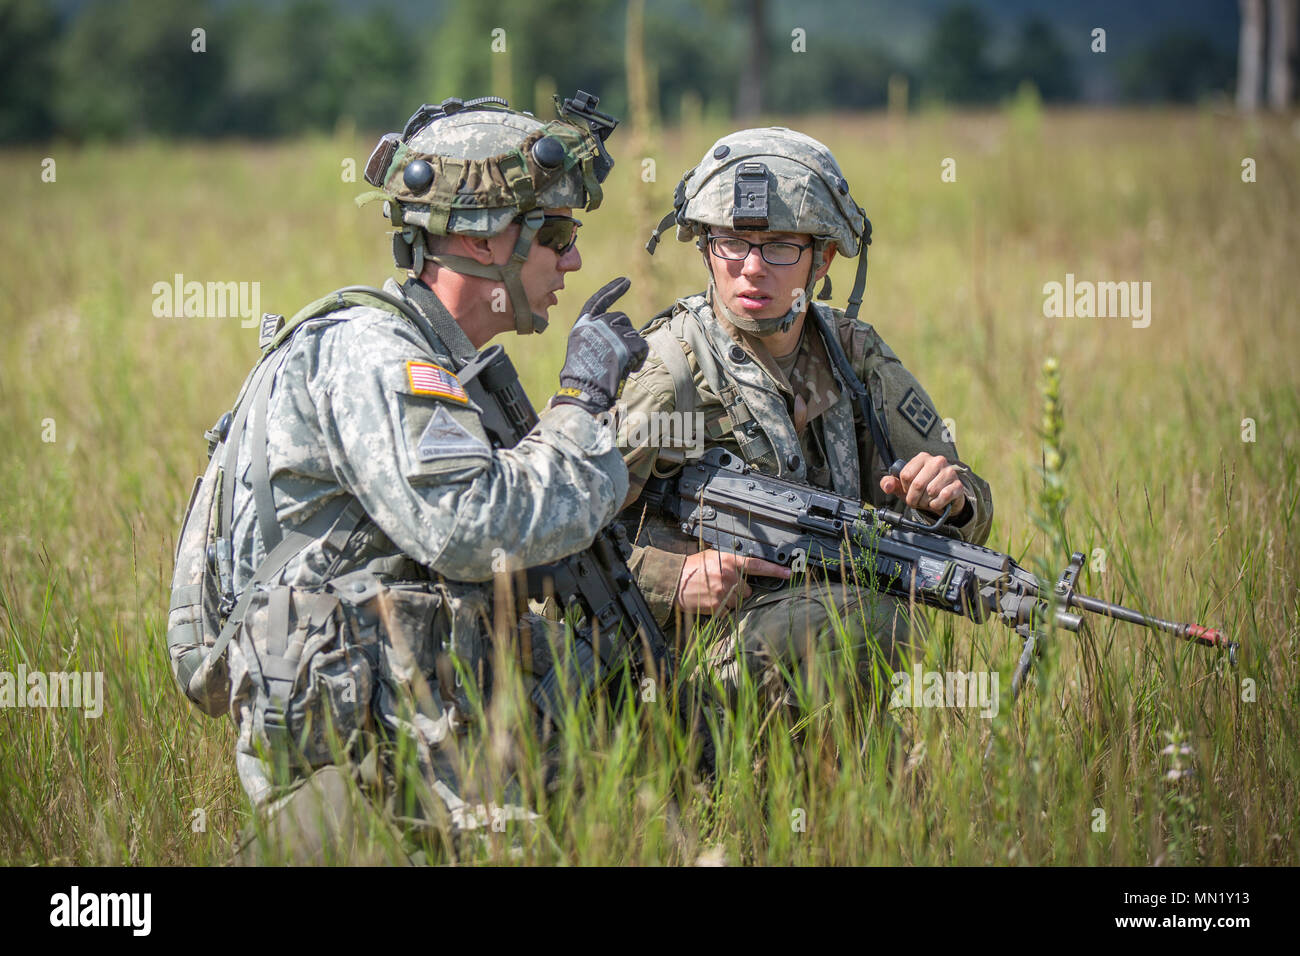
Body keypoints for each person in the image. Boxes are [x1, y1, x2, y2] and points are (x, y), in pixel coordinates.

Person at [166, 94, 647, 862]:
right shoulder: (381, 357)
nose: (574, 261)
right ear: (480, 242)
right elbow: (472, 529)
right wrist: (582, 404)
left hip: (399, 750)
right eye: (554, 234)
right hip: (369, 780)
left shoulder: (430, 355)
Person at [614, 127, 994, 712]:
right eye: (731, 243)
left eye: (780, 246)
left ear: (823, 256)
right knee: (866, 622)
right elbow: (556, 533)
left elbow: (967, 505)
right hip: (681, 663)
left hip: (808, 635)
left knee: (869, 622)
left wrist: (951, 499)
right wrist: (675, 577)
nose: (751, 269)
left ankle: (839, 791)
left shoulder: (853, 355)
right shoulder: (667, 371)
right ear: (705, 247)